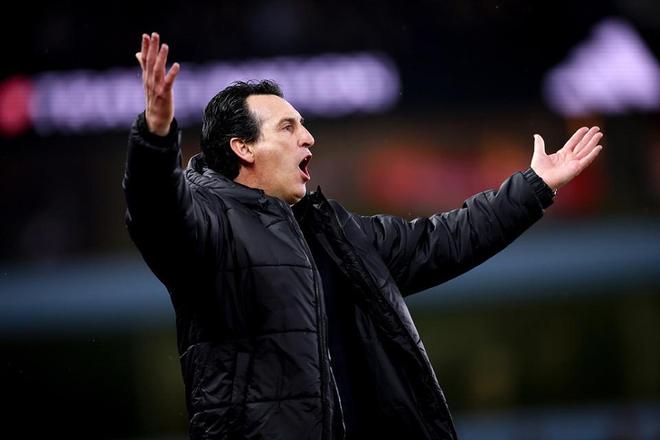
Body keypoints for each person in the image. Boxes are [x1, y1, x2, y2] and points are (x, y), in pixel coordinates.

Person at [123, 33, 603, 440]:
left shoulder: (335, 232)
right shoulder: (210, 225)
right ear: (243, 148)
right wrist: (156, 135)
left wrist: (533, 188)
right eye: (288, 127)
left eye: (303, 125)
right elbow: (156, 210)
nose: (308, 137)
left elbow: (443, 239)